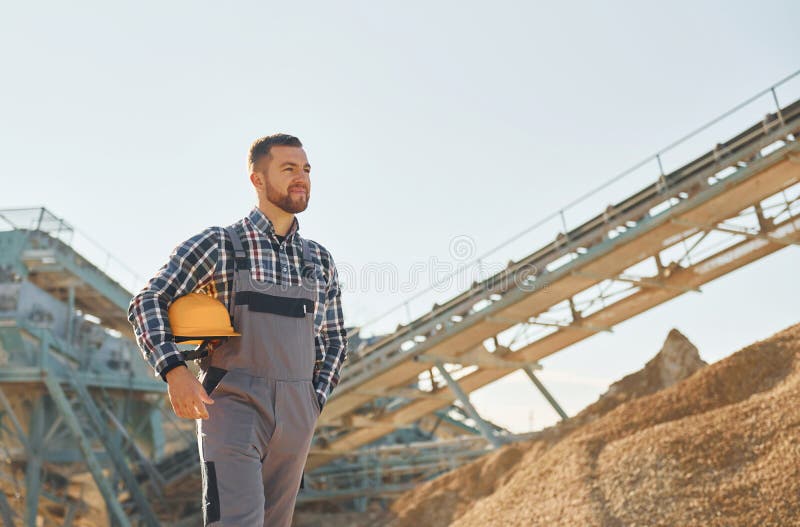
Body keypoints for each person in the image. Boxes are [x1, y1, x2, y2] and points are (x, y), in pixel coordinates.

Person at [127, 133, 348, 526]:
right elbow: (148, 301)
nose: (302, 178)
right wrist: (174, 371)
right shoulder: (220, 245)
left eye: (306, 170)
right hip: (233, 406)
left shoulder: (319, 259)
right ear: (257, 180)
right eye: (289, 169)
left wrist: (314, 400)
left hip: (298, 411)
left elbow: (333, 340)